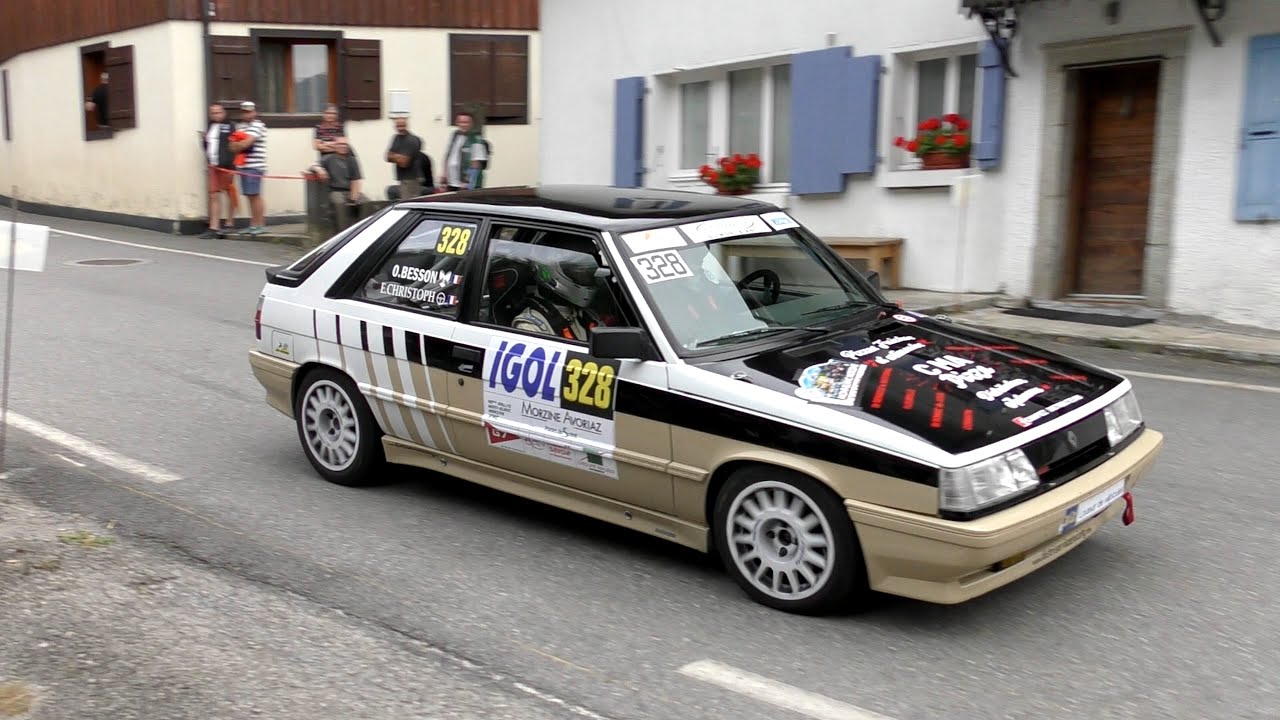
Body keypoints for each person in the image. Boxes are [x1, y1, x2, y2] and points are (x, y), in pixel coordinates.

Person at [510, 249, 617, 341]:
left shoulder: (587, 315)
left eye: (590, 273)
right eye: (581, 272)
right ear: (551, 272)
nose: (588, 278)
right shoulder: (530, 326)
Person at [198, 103, 236, 238]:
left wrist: (232, 166)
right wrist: (203, 141)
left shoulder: (230, 126)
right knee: (214, 195)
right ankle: (214, 227)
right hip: (213, 165)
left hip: (227, 166)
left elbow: (233, 147)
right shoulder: (210, 126)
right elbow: (208, 147)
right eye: (213, 113)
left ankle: (230, 223)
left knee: (229, 193)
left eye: (219, 112)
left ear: (224, 113)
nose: (216, 115)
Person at [230, 101, 268, 235]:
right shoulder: (240, 126)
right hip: (243, 165)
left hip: (255, 166)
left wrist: (239, 144)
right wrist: (240, 144)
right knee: (249, 196)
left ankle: (260, 225)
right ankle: (253, 225)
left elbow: (246, 143)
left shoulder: (258, 125)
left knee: (255, 195)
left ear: (254, 112)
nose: (246, 115)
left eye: (249, 112)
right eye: (244, 112)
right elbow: (232, 146)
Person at [312, 137, 365, 231]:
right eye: (340, 144)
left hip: (350, 190)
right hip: (335, 191)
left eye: (345, 144)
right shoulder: (328, 158)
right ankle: (342, 232)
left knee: (365, 202)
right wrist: (319, 170)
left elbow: (356, 180)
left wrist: (353, 199)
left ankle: (363, 230)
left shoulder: (352, 160)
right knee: (340, 204)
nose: (343, 146)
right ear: (335, 146)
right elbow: (313, 165)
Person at [440, 111, 488, 191]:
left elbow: (476, 162)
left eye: (466, 122)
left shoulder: (476, 139)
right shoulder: (455, 135)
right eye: (461, 122)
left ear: (471, 123)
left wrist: (467, 181)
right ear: (457, 123)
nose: (463, 125)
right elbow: (448, 155)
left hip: (466, 184)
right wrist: (444, 173)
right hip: (452, 181)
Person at [385, 115, 425, 199]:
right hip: (402, 178)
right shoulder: (396, 138)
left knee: (408, 202)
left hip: (411, 178)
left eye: (402, 125)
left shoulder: (412, 140)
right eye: (398, 125)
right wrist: (399, 157)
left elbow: (404, 163)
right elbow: (387, 157)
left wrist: (394, 156)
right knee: (404, 200)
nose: (400, 128)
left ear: (407, 125)